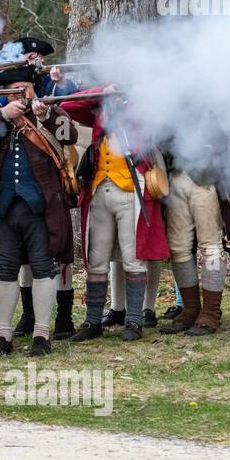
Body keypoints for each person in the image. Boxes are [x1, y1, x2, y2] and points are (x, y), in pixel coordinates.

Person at [0, 88, 76, 356]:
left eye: (23, 87)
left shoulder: (46, 113)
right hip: (4, 209)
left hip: (41, 210)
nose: (19, 93)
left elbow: (69, 135)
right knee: (5, 270)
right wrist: (4, 115)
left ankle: (42, 333)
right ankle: (3, 334)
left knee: (43, 268)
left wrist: (49, 114)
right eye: (13, 88)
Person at [60, 87, 169, 342]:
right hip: (99, 190)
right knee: (97, 261)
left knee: (133, 258)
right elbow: (68, 105)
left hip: (132, 190)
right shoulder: (99, 105)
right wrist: (103, 91)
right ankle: (93, 321)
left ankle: (134, 319)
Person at [158, 163, 227, 336]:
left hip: (205, 179)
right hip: (174, 178)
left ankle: (211, 312)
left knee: (211, 247)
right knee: (178, 247)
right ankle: (191, 309)